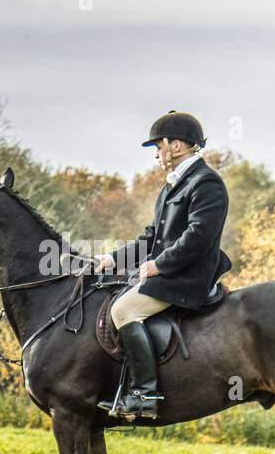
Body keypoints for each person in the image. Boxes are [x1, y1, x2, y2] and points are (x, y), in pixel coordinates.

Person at [91, 111, 232, 419]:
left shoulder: (206, 182)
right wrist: (113, 259)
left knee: (123, 310)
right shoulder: (172, 186)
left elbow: (198, 237)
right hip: (170, 273)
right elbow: (152, 238)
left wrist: (159, 266)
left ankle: (145, 394)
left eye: (159, 146)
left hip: (187, 277)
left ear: (177, 145)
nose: (156, 154)